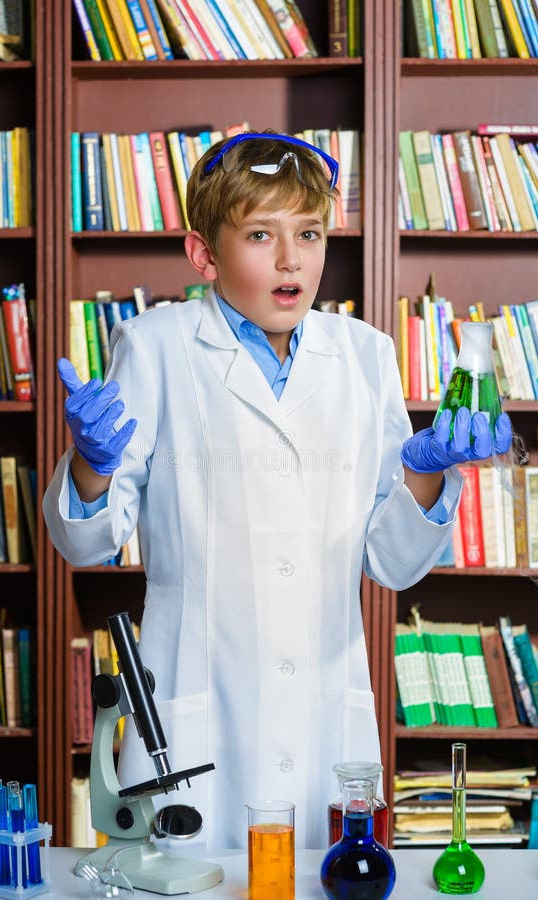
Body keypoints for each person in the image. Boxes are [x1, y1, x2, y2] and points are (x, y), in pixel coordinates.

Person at [42, 131, 512, 850]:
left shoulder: (364, 356)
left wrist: (421, 469)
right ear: (203, 254)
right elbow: (84, 542)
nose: (291, 259)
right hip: (197, 717)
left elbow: (391, 565)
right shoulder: (156, 345)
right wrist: (91, 467)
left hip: (326, 712)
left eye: (310, 233)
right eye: (260, 234)